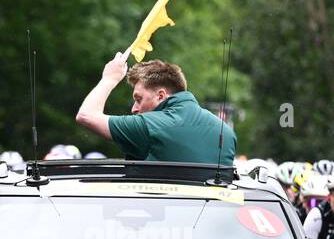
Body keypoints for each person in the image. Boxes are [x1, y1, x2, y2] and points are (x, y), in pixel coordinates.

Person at [75, 55, 236, 166]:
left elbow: (86, 115)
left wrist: (110, 78)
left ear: (160, 96)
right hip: (208, 215)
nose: (134, 109)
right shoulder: (226, 133)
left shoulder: (148, 126)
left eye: (138, 99)